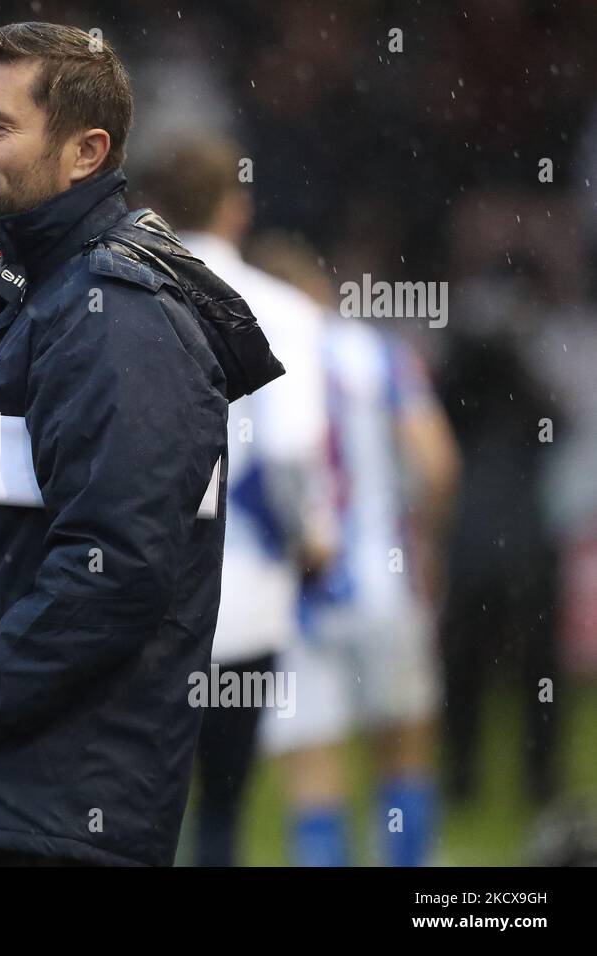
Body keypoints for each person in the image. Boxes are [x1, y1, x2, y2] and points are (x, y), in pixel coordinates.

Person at [0, 19, 283, 868]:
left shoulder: (117, 315)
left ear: (87, 152)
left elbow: (117, 565)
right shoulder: (29, 299)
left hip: (34, 820)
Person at [139, 136, 335, 866]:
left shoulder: (111, 294)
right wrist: (314, 543)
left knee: (123, 808)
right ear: (236, 206)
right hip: (243, 590)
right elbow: (288, 458)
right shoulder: (283, 309)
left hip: (129, 585)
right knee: (220, 808)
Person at [249, 234, 460, 866]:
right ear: (321, 286)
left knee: (314, 771)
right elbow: (437, 463)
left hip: (297, 597)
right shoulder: (378, 355)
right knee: (403, 756)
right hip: (384, 584)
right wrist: (427, 544)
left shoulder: (253, 366)